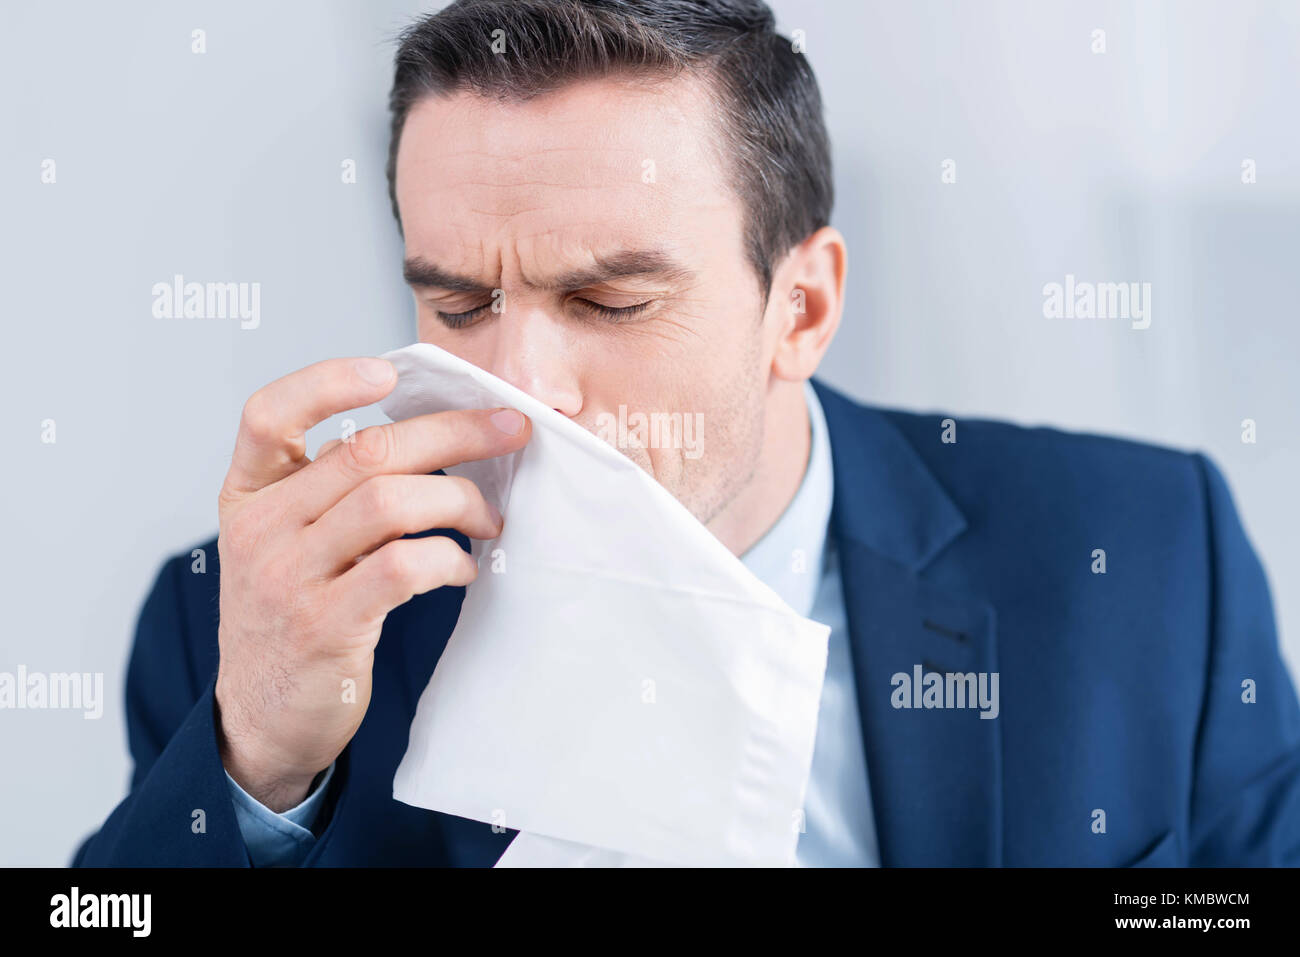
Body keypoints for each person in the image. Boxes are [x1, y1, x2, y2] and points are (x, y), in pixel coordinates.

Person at [73, 0, 1300, 867]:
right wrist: (253, 773)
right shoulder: (247, 619)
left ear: (801, 308)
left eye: (610, 301)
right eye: (456, 302)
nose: (520, 387)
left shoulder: (1146, 557)